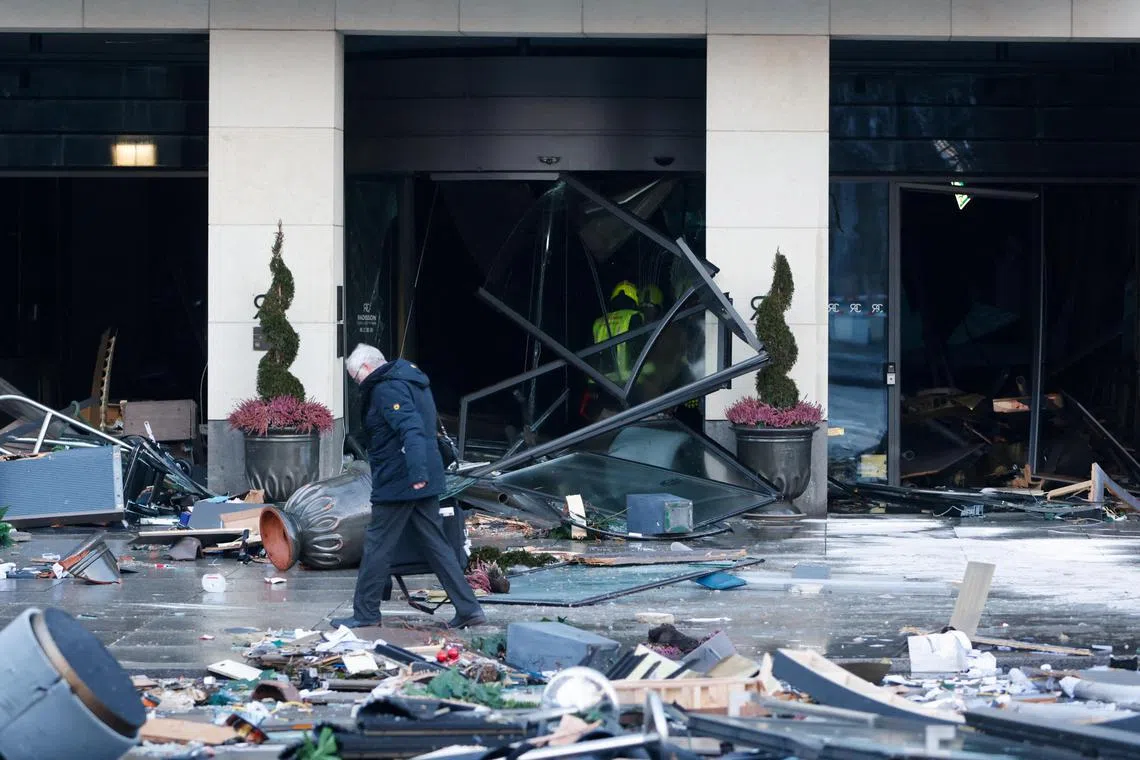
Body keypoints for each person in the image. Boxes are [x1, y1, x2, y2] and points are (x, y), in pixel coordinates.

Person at [333, 344, 486, 630]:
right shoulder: (411, 380)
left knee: (377, 545)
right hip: (419, 478)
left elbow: (411, 428)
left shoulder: (386, 388)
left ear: (367, 367)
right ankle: (469, 609)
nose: (358, 384)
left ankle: (366, 612)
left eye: (355, 377)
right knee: (436, 544)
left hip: (401, 480)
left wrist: (416, 473)